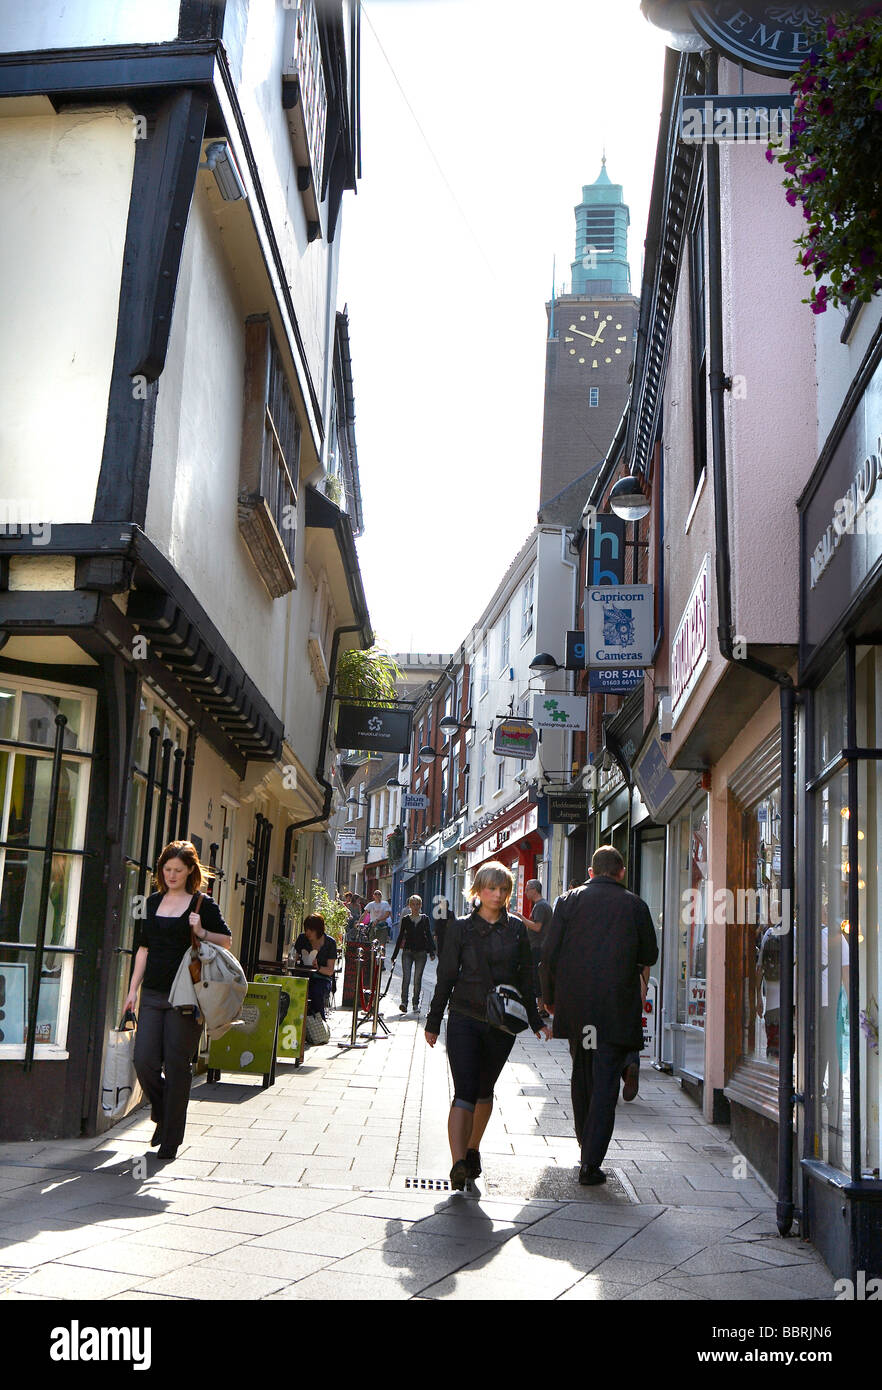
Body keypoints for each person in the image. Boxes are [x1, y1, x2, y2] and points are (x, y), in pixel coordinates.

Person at [425, 861, 551, 1191]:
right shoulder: (460, 929)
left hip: (501, 1025)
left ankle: (473, 1149)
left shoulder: (516, 930)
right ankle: (457, 1164)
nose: (497, 894)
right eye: (492, 888)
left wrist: (536, 1020)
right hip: (465, 1017)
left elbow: (526, 977)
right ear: (478, 891)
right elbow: (446, 977)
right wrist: (433, 1021)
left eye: (504, 889)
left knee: (484, 1091)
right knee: (464, 1091)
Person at [540, 845, 658, 1186]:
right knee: (606, 1082)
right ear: (621, 872)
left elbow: (548, 954)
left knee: (583, 1074)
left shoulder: (568, 901)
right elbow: (649, 952)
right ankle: (591, 1161)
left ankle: (583, 1141)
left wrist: (549, 999)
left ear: (591, 872)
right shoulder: (635, 905)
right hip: (617, 1010)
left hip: (579, 1010)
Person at [125, 840, 232, 1162]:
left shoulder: (202, 904)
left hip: (186, 996)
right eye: (166, 869)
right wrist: (132, 991)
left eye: (177, 870)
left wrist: (201, 932)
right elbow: (143, 949)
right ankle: (161, 1109)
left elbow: (226, 940)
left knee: (176, 1066)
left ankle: (171, 1138)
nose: (171, 875)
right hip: (154, 994)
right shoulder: (151, 902)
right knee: (143, 1060)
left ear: (190, 872)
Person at [391, 895, 436, 1013]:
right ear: (409, 906)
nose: (415, 907)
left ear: (420, 905)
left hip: (421, 953)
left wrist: (432, 952)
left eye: (417, 904)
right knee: (406, 977)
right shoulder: (406, 919)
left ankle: (415, 1003)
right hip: (407, 952)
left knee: (417, 978)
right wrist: (394, 955)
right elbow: (400, 936)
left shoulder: (425, 919)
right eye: (413, 904)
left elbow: (429, 936)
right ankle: (404, 1002)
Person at [290, 913, 338, 1019]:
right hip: (302, 976)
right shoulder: (302, 939)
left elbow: (330, 970)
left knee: (316, 993)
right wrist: (294, 959)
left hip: (322, 978)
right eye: (306, 929)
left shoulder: (330, 943)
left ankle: (319, 1023)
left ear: (318, 930)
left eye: (310, 930)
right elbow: (294, 957)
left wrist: (318, 968)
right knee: (294, 992)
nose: (307, 932)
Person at [523, 878, 553, 1017]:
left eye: (527, 889)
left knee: (538, 976)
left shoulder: (540, 906)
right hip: (539, 946)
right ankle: (541, 1006)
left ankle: (542, 1008)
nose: (525, 892)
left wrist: (520, 918)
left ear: (534, 890)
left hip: (539, 947)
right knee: (538, 976)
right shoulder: (540, 905)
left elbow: (537, 927)